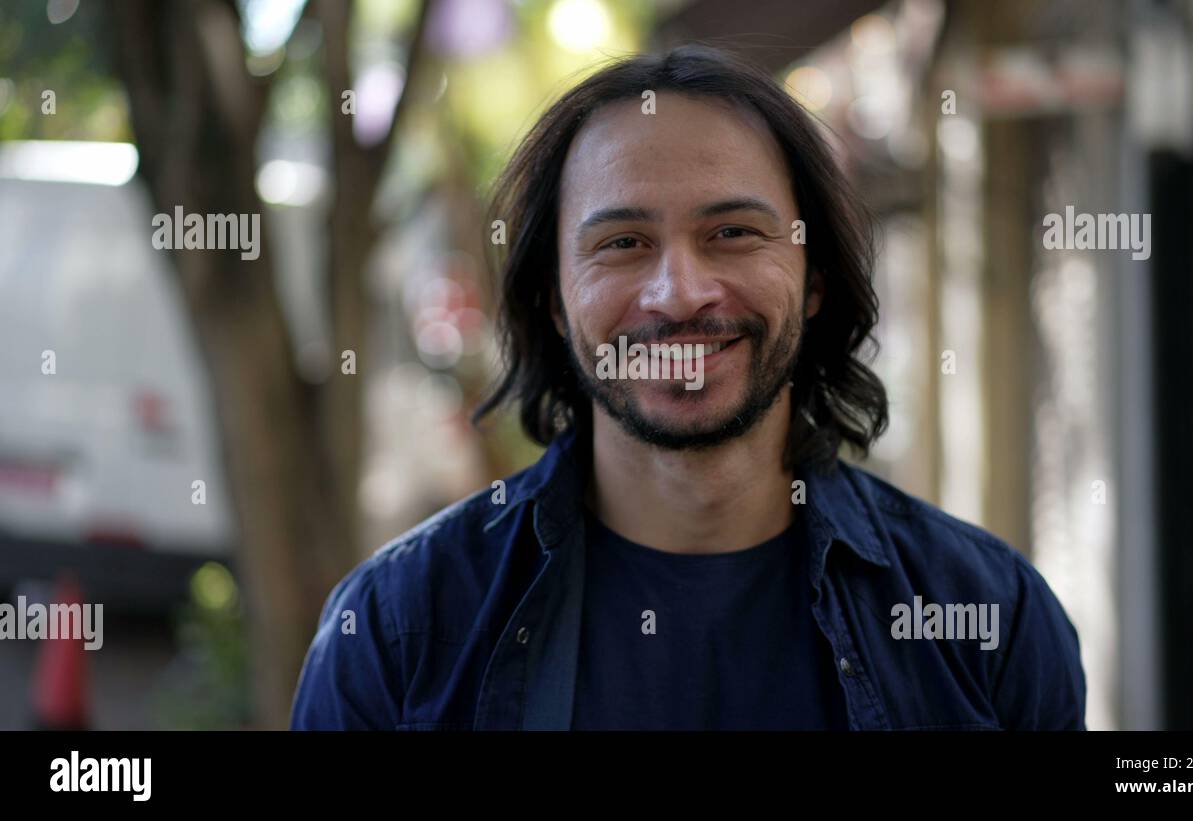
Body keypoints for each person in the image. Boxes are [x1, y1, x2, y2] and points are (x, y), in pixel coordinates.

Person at [290, 45, 1086, 731]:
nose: (679, 292)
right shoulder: (397, 631)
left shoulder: (989, 617)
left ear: (813, 280)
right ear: (555, 303)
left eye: (732, 233)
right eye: (624, 242)